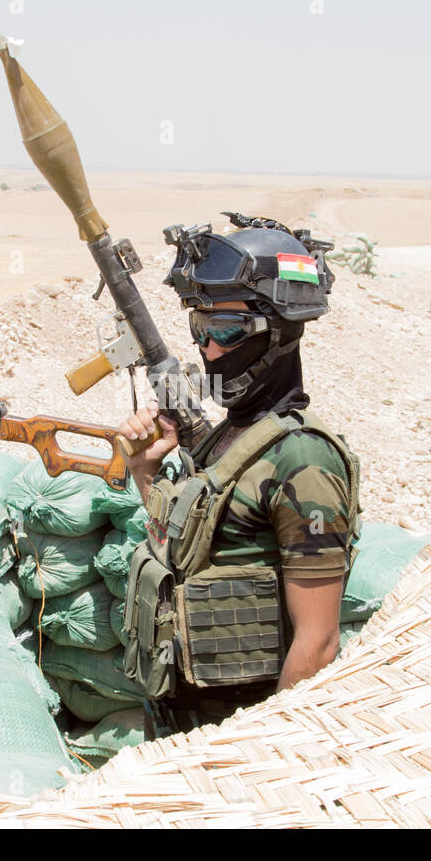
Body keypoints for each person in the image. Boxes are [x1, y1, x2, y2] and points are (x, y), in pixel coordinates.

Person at [117, 213, 362, 738]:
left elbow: (317, 645)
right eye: (200, 329)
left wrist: (258, 754)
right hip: (183, 721)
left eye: (225, 330)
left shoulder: (303, 461)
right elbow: (184, 550)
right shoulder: (229, 437)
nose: (207, 350)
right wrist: (145, 471)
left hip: (239, 736)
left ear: (278, 334)